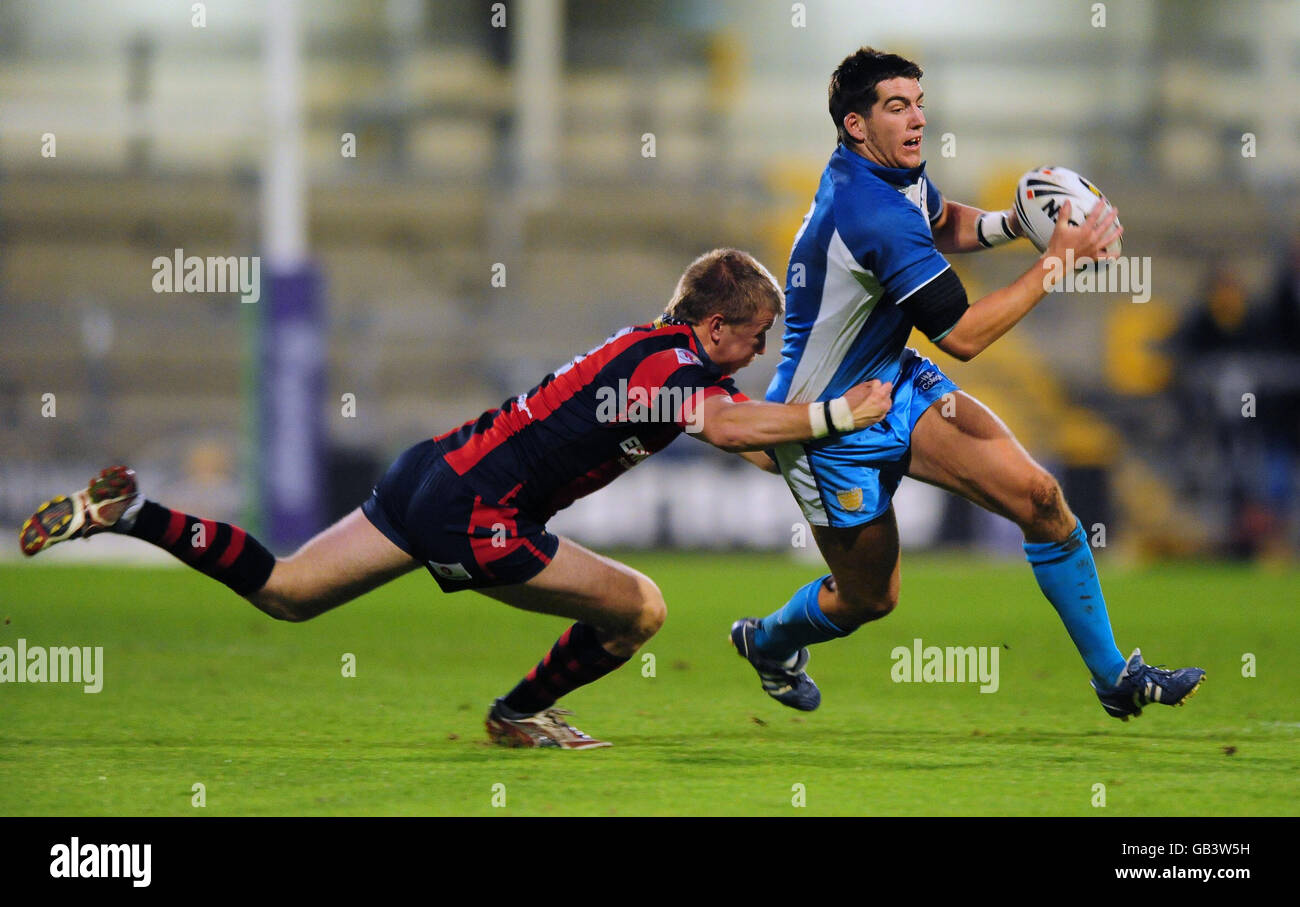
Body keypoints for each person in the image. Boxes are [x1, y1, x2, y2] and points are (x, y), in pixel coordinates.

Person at [19, 248, 893, 749]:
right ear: (715, 327)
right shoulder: (673, 365)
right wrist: (838, 411)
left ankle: (132, 513)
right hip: (478, 514)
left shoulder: (657, 353)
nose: (760, 345)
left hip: (431, 470)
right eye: (755, 333)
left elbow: (745, 437)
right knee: (640, 610)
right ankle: (516, 716)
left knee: (287, 592)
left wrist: (837, 459)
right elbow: (735, 430)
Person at [730, 48, 1204, 721]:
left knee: (1039, 496)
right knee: (870, 597)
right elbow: (965, 337)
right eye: (898, 106)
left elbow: (938, 216)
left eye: (919, 102)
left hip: (893, 385)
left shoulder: (889, 179)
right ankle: (767, 640)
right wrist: (1056, 262)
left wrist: (1013, 225)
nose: (919, 117)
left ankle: (1114, 677)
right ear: (856, 125)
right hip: (827, 426)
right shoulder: (868, 212)